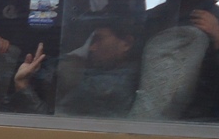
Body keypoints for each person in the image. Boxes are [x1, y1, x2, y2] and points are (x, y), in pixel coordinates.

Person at [10, 17, 139, 117]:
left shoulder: (105, 86)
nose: (91, 48)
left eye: (98, 39)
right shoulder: (130, 75)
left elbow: (49, 127)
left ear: (126, 43)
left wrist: (22, 83)